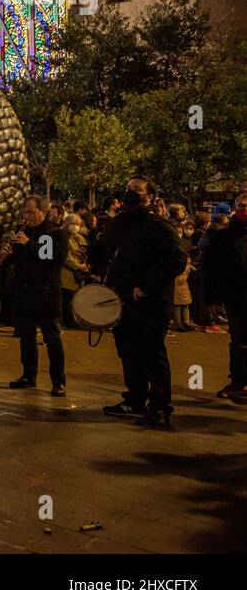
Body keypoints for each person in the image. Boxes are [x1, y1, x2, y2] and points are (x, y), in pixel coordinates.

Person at [96, 176, 186, 428]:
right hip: (122, 300)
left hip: (151, 302)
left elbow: (177, 258)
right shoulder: (118, 223)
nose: (130, 193)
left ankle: (159, 407)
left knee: (152, 354)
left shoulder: (157, 225)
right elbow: (107, 254)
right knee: (128, 352)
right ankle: (135, 398)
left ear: (150, 197)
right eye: (128, 189)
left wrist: (146, 286)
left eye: (137, 190)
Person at [7, 195, 67, 397]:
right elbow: (16, 260)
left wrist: (28, 244)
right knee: (26, 337)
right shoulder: (23, 232)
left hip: (46, 294)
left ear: (43, 212)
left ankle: (58, 381)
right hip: (25, 292)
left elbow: (53, 257)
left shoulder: (54, 233)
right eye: (25, 212)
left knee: (52, 338)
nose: (27, 216)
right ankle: (28, 374)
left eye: (31, 212)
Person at [204, 191, 247, 404]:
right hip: (236, 298)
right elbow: (210, 268)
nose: (244, 210)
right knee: (238, 341)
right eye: (241, 206)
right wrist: (211, 299)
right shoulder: (223, 237)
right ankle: (239, 381)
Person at [60, 213, 89, 328]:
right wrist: (78, 266)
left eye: (78, 224)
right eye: (74, 224)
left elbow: (85, 251)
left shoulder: (80, 237)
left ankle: (75, 320)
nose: (76, 226)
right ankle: (68, 321)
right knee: (67, 299)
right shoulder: (63, 236)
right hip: (66, 273)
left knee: (76, 299)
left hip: (79, 274)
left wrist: (85, 264)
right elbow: (66, 257)